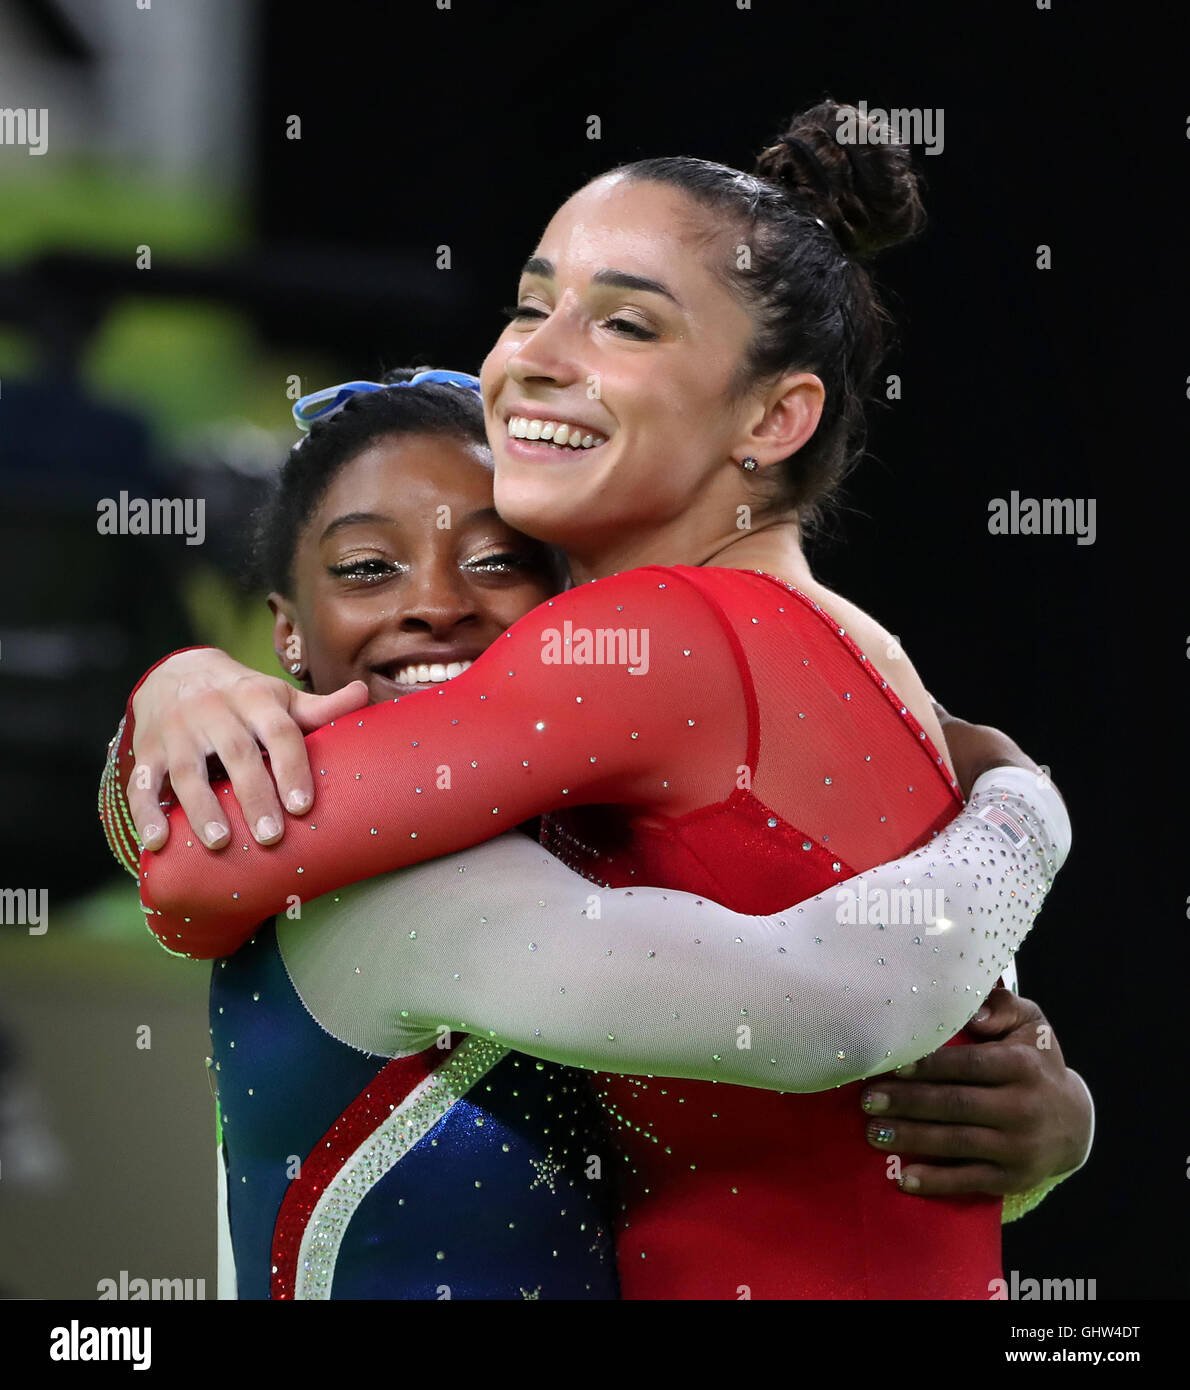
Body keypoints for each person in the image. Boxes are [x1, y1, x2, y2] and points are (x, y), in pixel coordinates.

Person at [104, 102, 1092, 1298]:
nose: (537, 353)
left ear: (775, 417)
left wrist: (162, 716)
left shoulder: (645, 640)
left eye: (624, 322)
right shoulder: (857, 652)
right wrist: (1020, 807)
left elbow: (200, 865)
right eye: (530, 305)